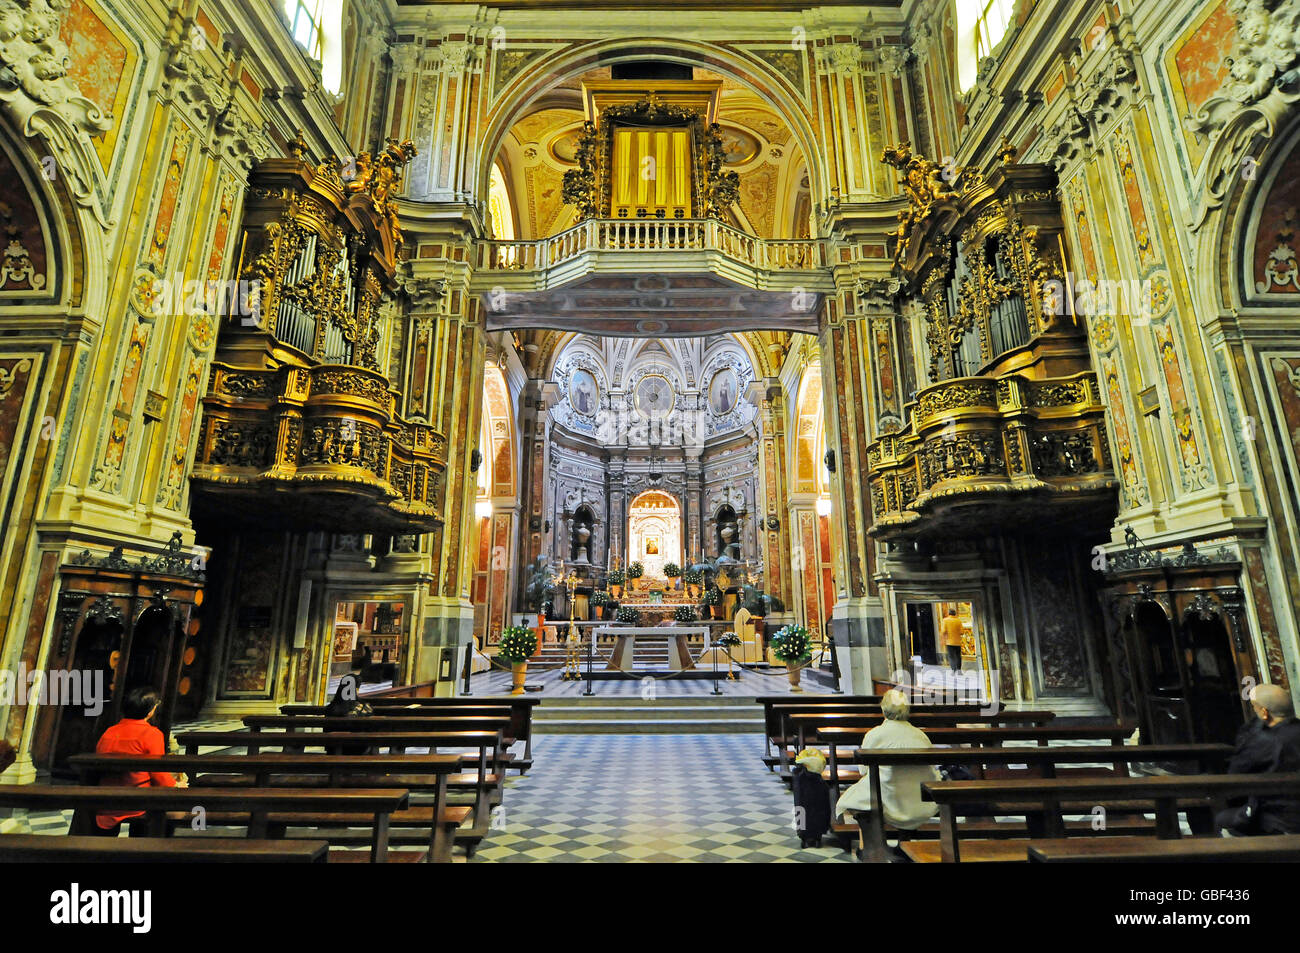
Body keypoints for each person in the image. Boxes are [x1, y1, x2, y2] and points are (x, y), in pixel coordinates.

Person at [835, 689, 939, 834]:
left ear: (883, 710)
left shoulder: (874, 735)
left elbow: (863, 771)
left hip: (887, 801)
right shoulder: (921, 735)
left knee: (857, 794)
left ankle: (868, 846)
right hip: (921, 802)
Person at [92, 687, 186, 837]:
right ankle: (152, 846)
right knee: (178, 808)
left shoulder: (110, 731)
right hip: (137, 801)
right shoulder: (151, 734)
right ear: (150, 712)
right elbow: (158, 774)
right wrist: (176, 785)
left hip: (106, 798)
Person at [1215, 683, 1300, 836]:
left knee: (1222, 820)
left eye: (1254, 707)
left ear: (1264, 712)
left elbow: (1234, 779)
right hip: (1289, 814)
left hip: (1278, 819)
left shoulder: (1263, 740)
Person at [791, 747, 831, 849]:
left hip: (803, 793)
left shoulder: (799, 776)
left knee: (801, 806)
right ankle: (818, 835)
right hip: (816, 791)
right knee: (819, 807)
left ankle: (803, 834)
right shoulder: (820, 780)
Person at [939, 608, 964, 673]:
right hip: (958, 642)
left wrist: (942, 639)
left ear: (948, 613)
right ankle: (959, 670)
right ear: (955, 613)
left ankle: (953, 670)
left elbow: (943, 631)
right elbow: (962, 632)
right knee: (958, 656)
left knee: (951, 656)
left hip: (949, 642)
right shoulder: (958, 620)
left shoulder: (945, 620)